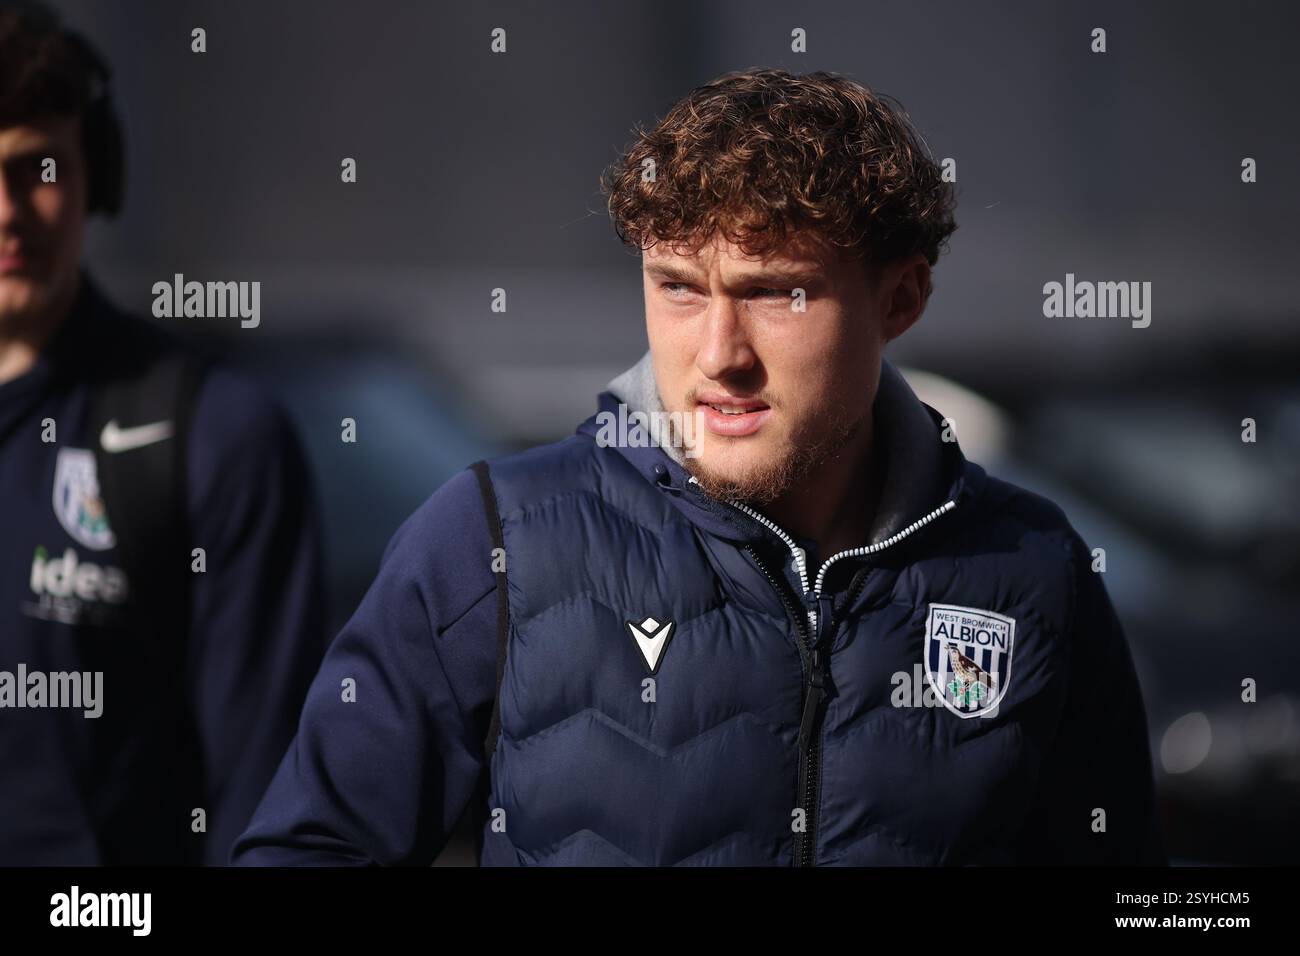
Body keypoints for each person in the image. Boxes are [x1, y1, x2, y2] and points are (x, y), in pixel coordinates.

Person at [233, 67, 1165, 866]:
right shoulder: (489, 544)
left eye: (773, 295)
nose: (719, 353)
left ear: (902, 297)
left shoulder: (1034, 572)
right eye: (678, 287)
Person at [0, 2, 326, 865]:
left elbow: (267, 815)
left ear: (95, 176)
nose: (6, 211)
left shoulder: (217, 438)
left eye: (35, 166)